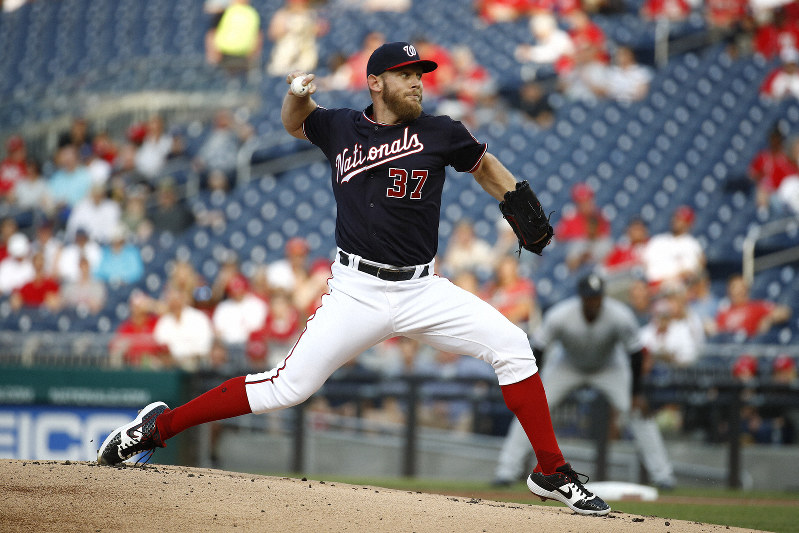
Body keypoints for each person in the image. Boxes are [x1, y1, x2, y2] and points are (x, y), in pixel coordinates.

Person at [97, 41, 610, 516]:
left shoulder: (441, 131)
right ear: (375, 82)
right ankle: (154, 429)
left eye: (420, 74)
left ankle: (551, 471)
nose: (416, 82)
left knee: (514, 347)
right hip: (356, 291)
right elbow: (294, 123)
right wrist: (295, 94)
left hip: (422, 289)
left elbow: (483, 165)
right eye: (404, 73)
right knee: (287, 388)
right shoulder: (341, 126)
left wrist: (514, 195)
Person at [494, 274, 676, 489]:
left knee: (637, 411)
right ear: (581, 297)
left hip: (609, 366)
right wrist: (534, 388)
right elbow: (540, 350)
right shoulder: (561, 314)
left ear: (603, 297)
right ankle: (506, 470)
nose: (593, 302)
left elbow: (635, 354)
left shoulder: (619, 315)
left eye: (597, 297)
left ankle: (663, 475)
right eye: (589, 297)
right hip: (567, 365)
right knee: (531, 409)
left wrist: (636, 393)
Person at [641, 205, 704, 287]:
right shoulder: (658, 240)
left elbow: (690, 272)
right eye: (676, 218)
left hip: (676, 288)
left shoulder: (692, 245)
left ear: (688, 223)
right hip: (651, 285)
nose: (676, 221)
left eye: (681, 219)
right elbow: (644, 263)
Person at [715, 274, 792, 338]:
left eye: (741, 288)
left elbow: (784, 312)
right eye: (735, 288)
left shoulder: (756, 307)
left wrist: (769, 319)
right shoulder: (724, 313)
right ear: (729, 292)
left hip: (749, 345)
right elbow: (718, 330)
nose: (738, 291)